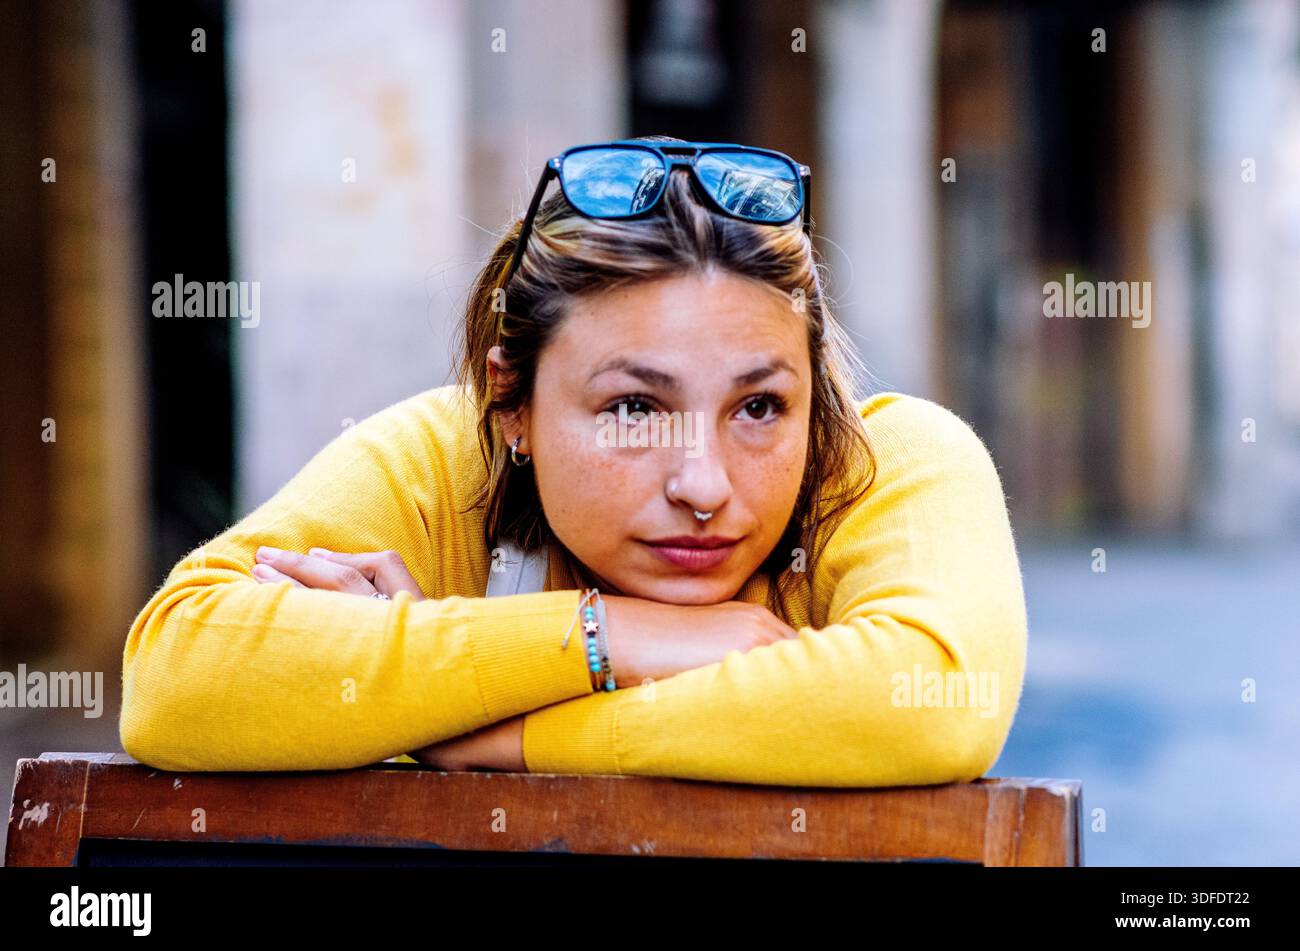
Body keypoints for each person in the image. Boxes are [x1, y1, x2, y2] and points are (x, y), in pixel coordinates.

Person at [119, 136, 1028, 786]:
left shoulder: (882, 465)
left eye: (759, 407)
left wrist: (497, 737)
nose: (705, 487)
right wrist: (607, 635)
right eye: (635, 408)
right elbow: (177, 678)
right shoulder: (446, 461)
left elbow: (936, 698)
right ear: (509, 401)